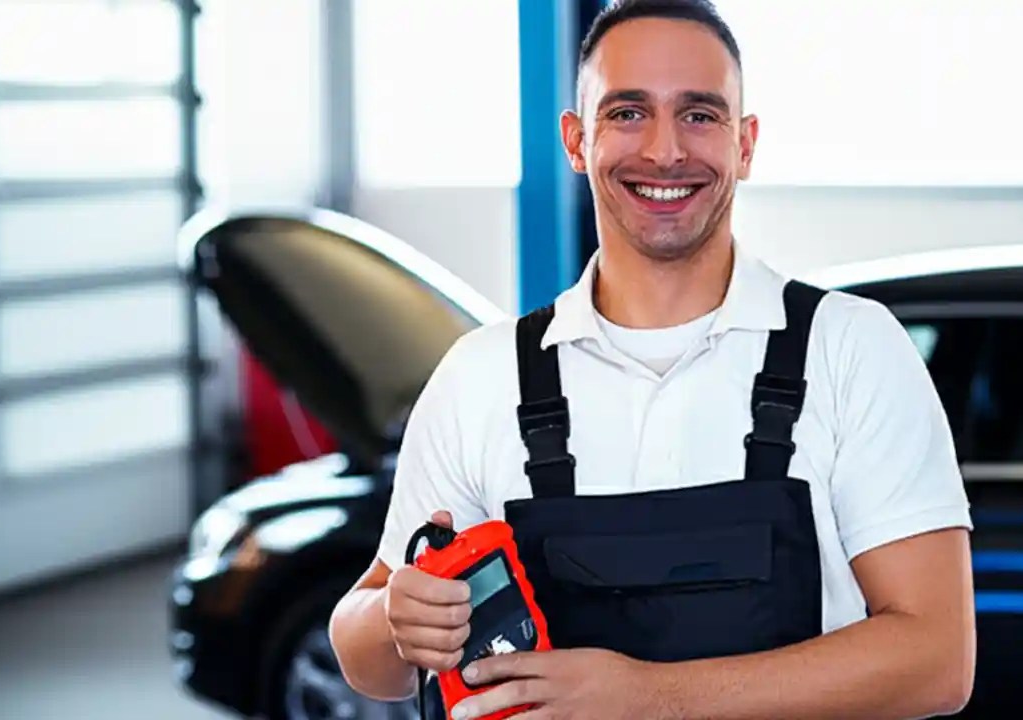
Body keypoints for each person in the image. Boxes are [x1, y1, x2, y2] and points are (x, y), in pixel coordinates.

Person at [328, 0, 975, 717]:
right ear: (576, 141)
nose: (665, 151)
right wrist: (398, 619)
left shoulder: (851, 351)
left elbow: (936, 658)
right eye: (628, 113)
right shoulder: (482, 378)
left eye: (699, 114)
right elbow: (368, 656)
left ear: (746, 143)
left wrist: (650, 697)